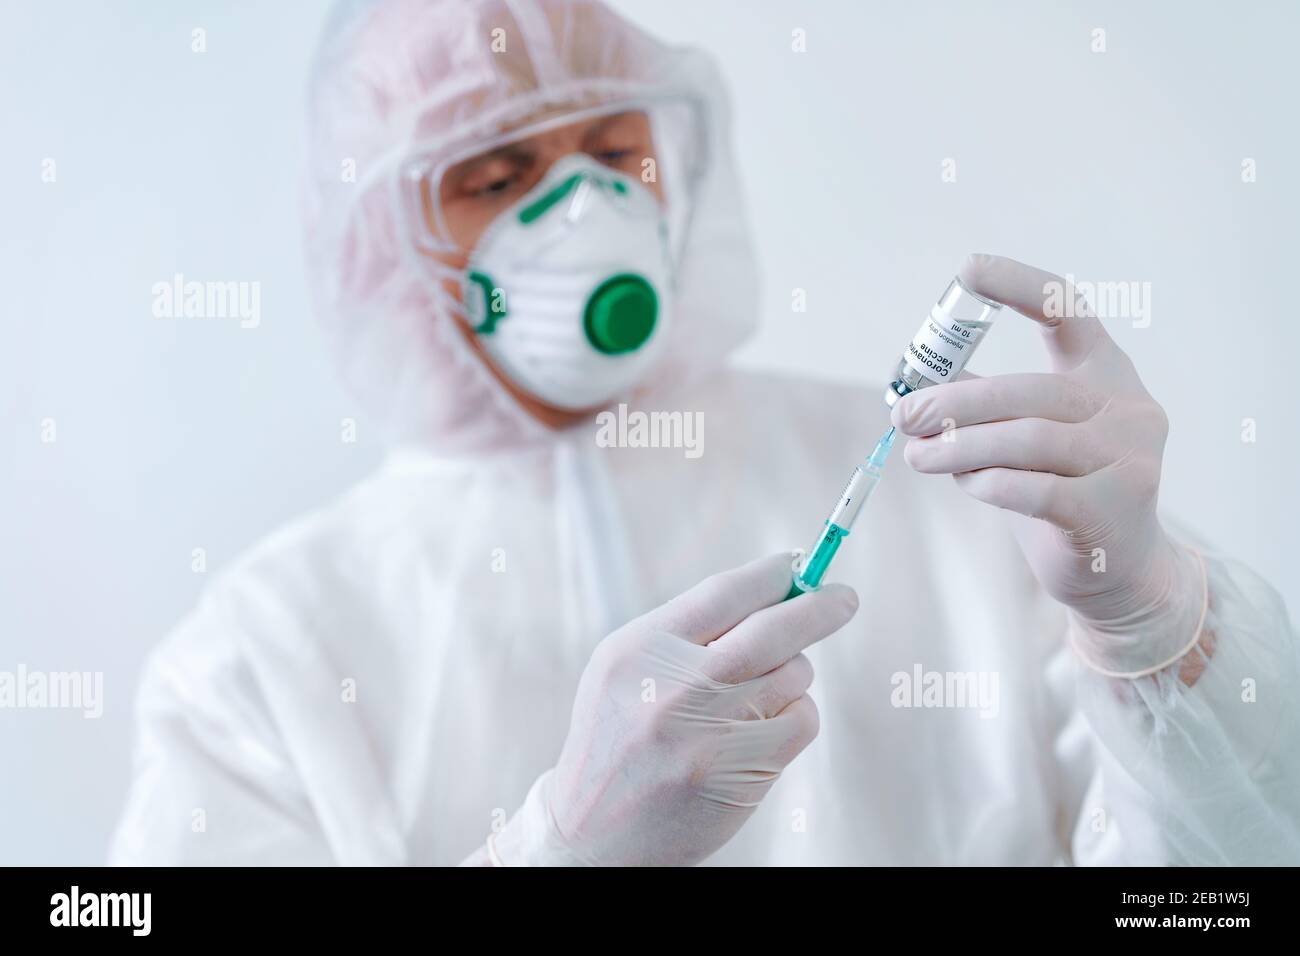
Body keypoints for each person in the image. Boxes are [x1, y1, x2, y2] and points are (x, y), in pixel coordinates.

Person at [110, 0, 1299, 866]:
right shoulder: (265, 656)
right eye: (499, 169)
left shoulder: (953, 481)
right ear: (380, 237)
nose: (584, 210)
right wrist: (563, 849)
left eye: (609, 149)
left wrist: (1155, 630)